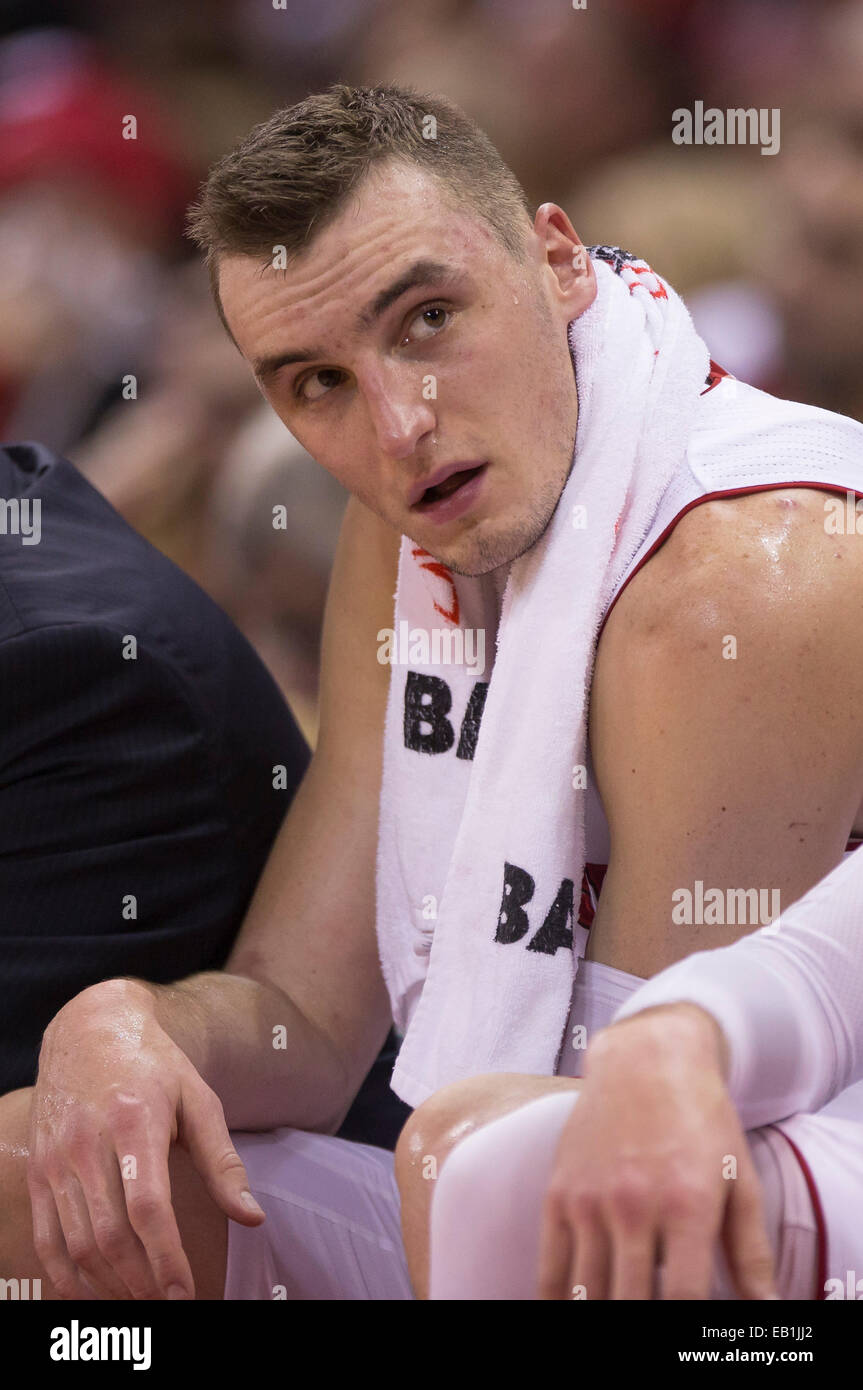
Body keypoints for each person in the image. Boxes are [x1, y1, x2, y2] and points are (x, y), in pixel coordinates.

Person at [3, 83, 863, 1302]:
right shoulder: (403, 529)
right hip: (545, 1179)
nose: (398, 426)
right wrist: (124, 1021)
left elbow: (634, 1138)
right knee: (44, 1164)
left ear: (557, 261)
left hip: (784, 1202)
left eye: (425, 318)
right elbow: (306, 1012)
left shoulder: (741, 579)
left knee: (469, 1158)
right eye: (318, 383)